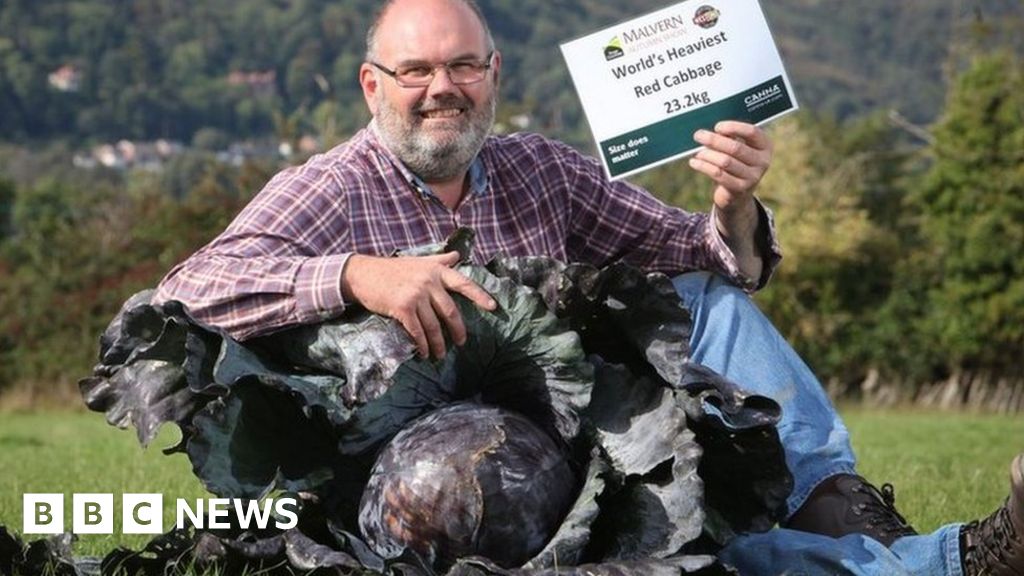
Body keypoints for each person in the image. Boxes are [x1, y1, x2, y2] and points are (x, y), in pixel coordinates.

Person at [152, 0, 1024, 573]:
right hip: (418, 494)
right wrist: (351, 273)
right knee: (694, 555)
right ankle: (958, 562)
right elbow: (186, 293)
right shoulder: (330, 188)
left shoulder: (542, 171)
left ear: (494, 75)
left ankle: (836, 503)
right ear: (372, 86)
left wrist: (735, 201)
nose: (440, 89)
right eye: (415, 72)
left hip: (572, 451)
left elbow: (703, 255)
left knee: (704, 308)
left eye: (462, 66)